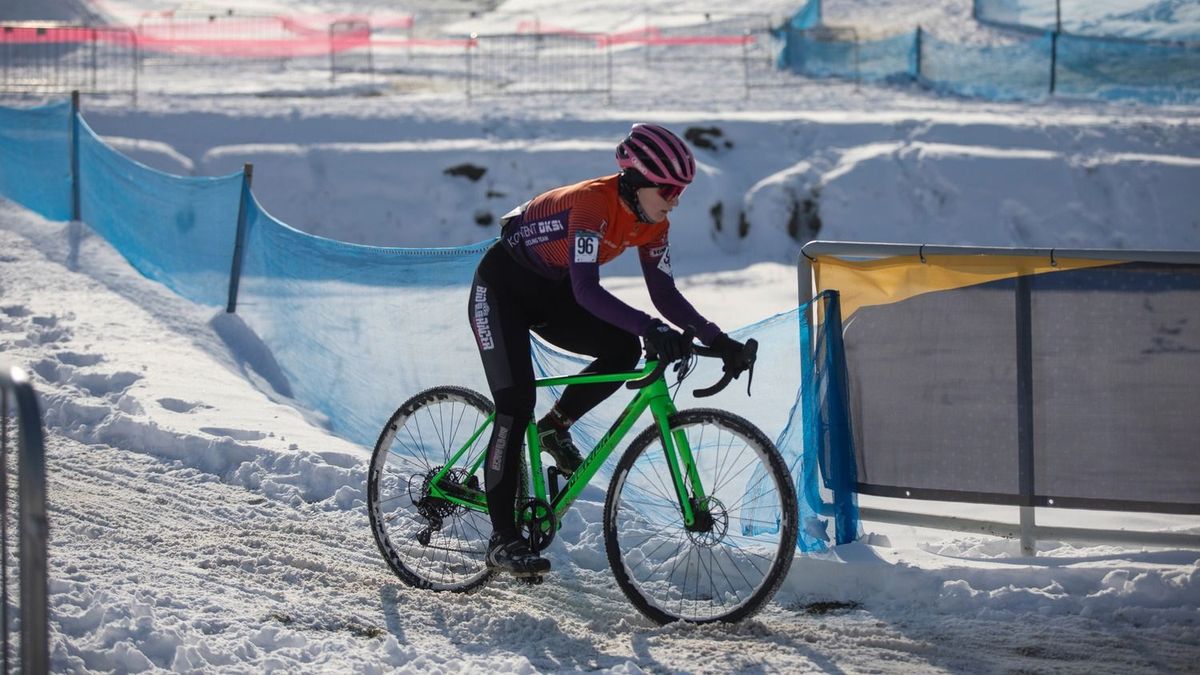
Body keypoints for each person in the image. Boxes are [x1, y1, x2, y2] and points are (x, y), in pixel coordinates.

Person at [467, 123, 748, 576]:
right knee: (515, 404)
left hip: (551, 293)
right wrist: (652, 328)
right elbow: (587, 291)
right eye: (670, 189)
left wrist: (718, 338)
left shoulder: (653, 222)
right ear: (636, 181)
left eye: (682, 190)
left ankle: (556, 429)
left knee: (621, 349)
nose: (676, 199)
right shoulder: (593, 205)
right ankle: (502, 537)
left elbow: (665, 293)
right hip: (502, 292)